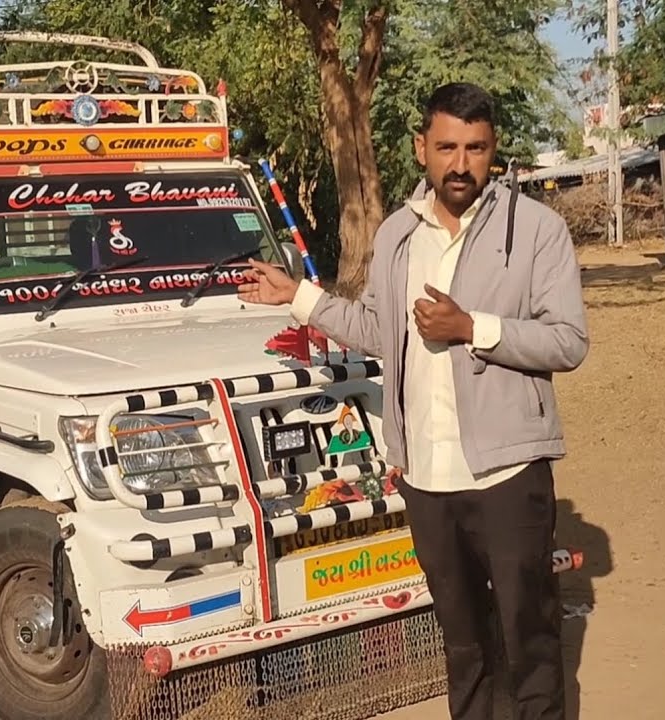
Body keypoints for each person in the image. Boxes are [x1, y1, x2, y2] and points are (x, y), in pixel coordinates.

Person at [238, 82, 588, 720]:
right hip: (426, 476)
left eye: (476, 148)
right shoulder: (398, 233)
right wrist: (298, 296)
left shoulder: (536, 229)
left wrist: (472, 328)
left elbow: (567, 341)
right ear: (420, 148)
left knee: (528, 636)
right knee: (462, 642)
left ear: (493, 149)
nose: (461, 164)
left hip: (508, 473)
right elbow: (380, 330)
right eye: (448, 146)